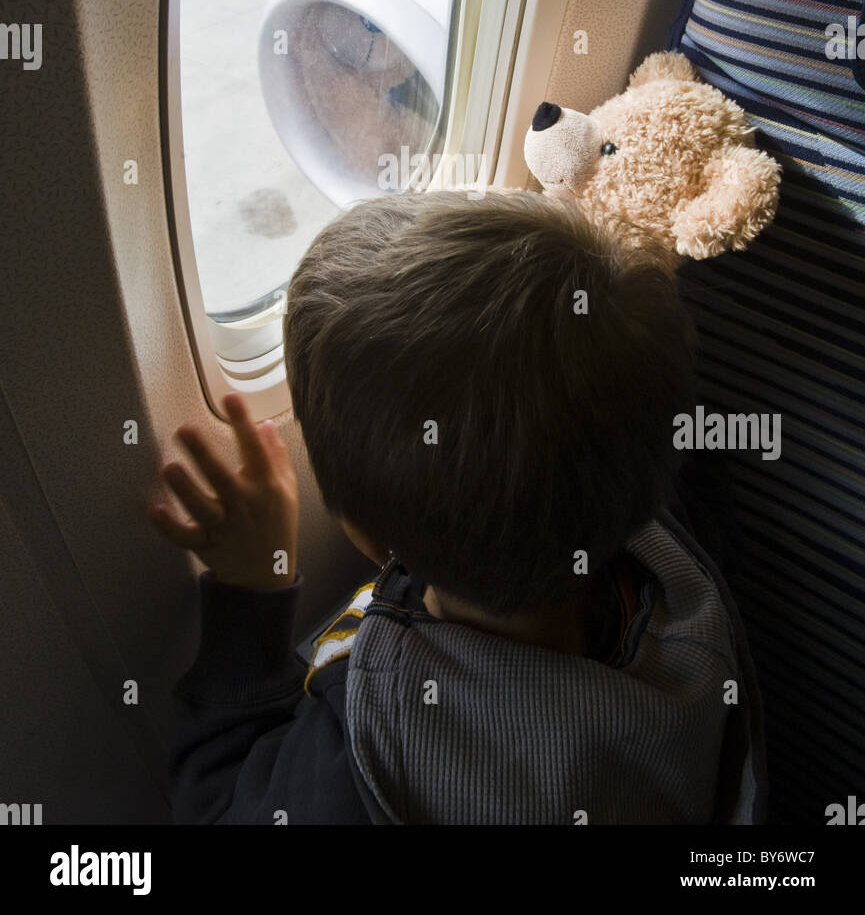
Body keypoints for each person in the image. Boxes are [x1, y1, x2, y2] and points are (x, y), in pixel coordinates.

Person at [149, 188, 765, 824]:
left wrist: (254, 595)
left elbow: (220, 802)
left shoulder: (372, 762)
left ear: (361, 533)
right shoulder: (679, 556)